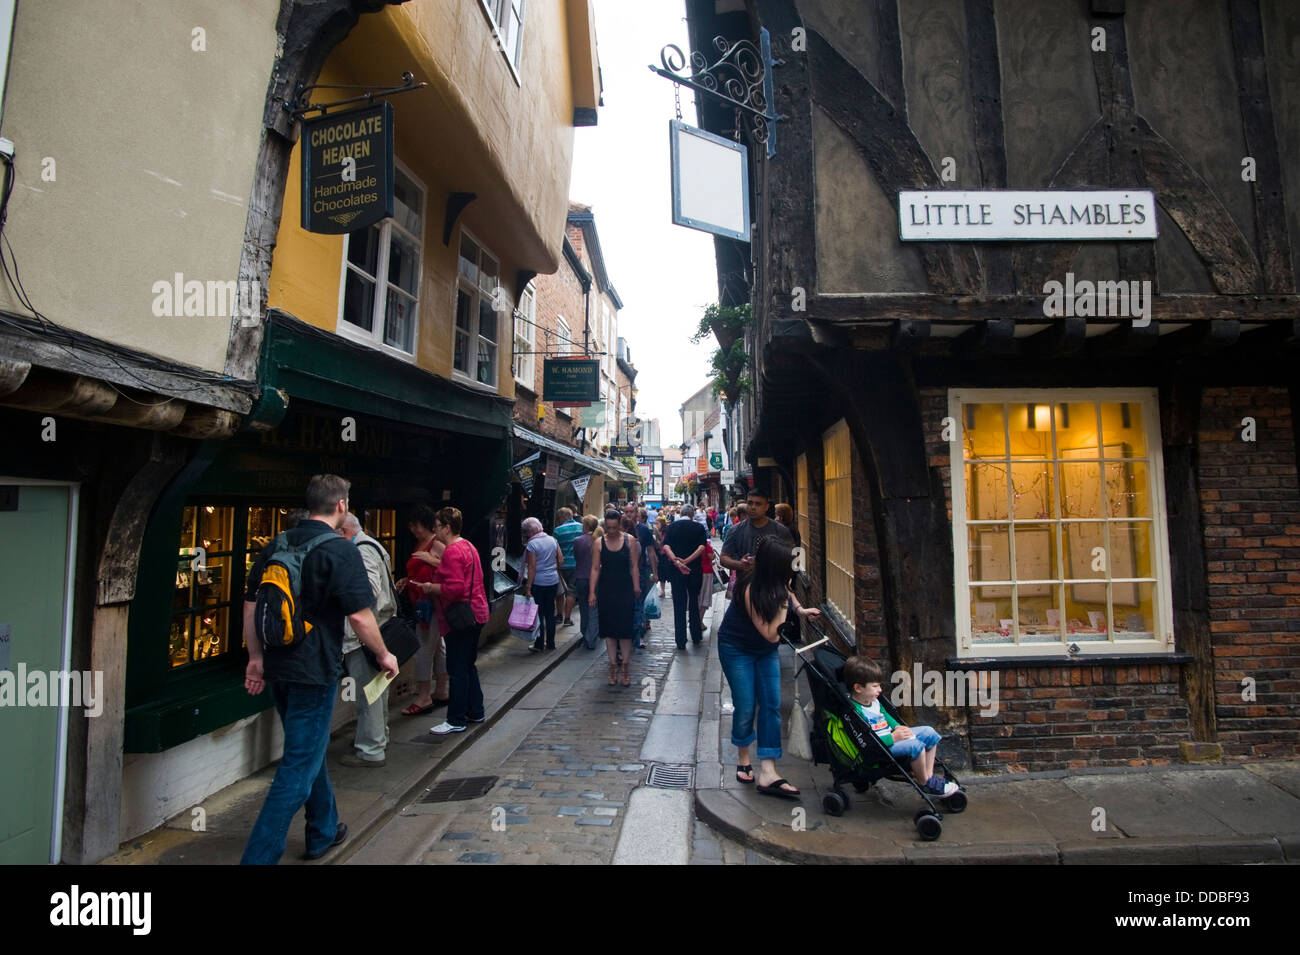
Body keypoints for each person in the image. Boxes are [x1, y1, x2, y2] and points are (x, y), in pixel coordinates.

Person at [240, 475, 398, 864]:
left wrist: (256, 660)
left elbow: (250, 606)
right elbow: (361, 618)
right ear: (341, 506)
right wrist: (384, 655)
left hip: (277, 666)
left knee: (307, 750)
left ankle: (323, 829)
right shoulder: (339, 551)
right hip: (314, 670)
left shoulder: (277, 543)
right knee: (298, 764)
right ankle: (257, 858)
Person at [717, 535, 819, 800]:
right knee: (747, 705)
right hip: (736, 647)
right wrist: (786, 605)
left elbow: (789, 592)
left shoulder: (777, 582)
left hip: (765, 652)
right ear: (776, 567)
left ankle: (769, 770)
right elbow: (771, 635)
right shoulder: (749, 586)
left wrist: (800, 610)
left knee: (771, 705)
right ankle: (743, 757)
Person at [842, 656, 960, 797]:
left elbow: (885, 715)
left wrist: (897, 727)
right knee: (917, 746)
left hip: (892, 737)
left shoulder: (872, 701)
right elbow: (868, 744)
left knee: (930, 733)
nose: (880, 689)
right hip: (880, 748)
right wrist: (893, 737)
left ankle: (929, 778)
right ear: (858, 688)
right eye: (875, 686)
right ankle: (924, 783)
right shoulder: (854, 712)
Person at [337, 512, 396, 768]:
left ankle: (371, 749)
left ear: (343, 532)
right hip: (377, 630)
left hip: (365, 635)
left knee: (368, 693)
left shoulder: (361, 550)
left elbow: (368, 591)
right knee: (376, 691)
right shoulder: (372, 545)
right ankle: (378, 738)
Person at [427, 507, 490, 734]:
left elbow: (455, 588)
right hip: (477, 613)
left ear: (446, 527)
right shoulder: (469, 546)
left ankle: (456, 719)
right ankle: (476, 711)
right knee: (467, 665)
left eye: (436, 525)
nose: (434, 530)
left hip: (461, 618)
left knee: (457, 668)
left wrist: (430, 587)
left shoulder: (453, 551)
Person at [394, 505, 446, 714]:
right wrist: (408, 580)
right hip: (422, 600)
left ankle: (424, 696)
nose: (413, 529)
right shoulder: (422, 542)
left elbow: (451, 570)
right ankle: (442, 690)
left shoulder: (437, 544)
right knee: (439, 648)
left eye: (415, 525)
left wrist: (431, 560)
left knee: (423, 649)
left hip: (430, 603)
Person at [589, 508, 640, 685]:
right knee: (609, 630)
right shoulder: (598, 543)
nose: (611, 531)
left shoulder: (629, 540)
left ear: (619, 525)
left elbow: (634, 565)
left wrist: (636, 586)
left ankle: (625, 665)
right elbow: (595, 568)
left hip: (625, 587)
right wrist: (591, 592)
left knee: (625, 629)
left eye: (614, 527)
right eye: (608, 528)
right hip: (606, 589)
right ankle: (612, 665)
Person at [662, 503, 708, 649]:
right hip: (694, 570)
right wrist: (687, 561)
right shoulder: (698, 528)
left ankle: (680, 640)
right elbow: (702, 547)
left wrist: (677, 561)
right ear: (692, 515)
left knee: (679, 604)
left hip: (676, 571)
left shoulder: (671, 527)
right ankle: (696, 635)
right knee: (694, 601)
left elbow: (666, 546)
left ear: (680, 513)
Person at [720, 488, 792, 581]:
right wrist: (740, 564)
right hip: (745, 586)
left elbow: (793, 558)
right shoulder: (735, 530)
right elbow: (723, 558)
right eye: (750, 503)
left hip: (773, 587)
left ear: (766, 507)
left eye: (758, 504)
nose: (753, 507)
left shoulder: (780, 530)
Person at [522, 516, 562, 652]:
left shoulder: (532, 544)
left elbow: (532, 568)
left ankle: (539, 644)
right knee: (550, 613)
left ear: (530, 532)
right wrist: (551, 569)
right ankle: (551, 643)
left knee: (538, 614)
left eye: (526, 533)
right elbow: (560, 561)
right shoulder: (553, 540)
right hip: (553, 581)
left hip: (539, 583)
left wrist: (528, 587)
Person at [553, 507, 583, 627]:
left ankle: (559, 615)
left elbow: (554, 548)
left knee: (560, 591)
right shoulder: (581, 527)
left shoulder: (558, 530)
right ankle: (567, 618)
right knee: (571, 591)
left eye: (558, 518)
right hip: (576, 564)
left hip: (561, 565)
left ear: (562, 517)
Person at [634, 507, 659, 645]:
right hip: (625, 575)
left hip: (642, 571)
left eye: (632, 512)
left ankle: (639, 631)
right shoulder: (620, 529)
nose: (629, 515)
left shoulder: (644, 530)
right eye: (626, 512)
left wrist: (655, 573)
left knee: (640, 602)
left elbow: (651, 552)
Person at [572, 515, 598, 648]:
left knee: (583, 607)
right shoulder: (599, 540)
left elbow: (577, 558)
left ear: (586, 526)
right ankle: (591, 636)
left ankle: (585, 632)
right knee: (593, 608)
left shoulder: (577, 541)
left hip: (581, 577)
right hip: (596, 579)